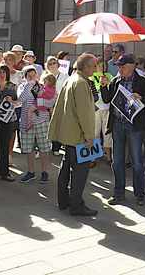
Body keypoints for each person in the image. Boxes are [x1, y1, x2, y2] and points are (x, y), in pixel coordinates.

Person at [49, 53, 98, 217]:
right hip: (78, 136)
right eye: (94, 65)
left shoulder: (71, 79)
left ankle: (64, 201)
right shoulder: (81, 83)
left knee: (65, 169)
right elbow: (84, 113)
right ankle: (76, 205)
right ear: (86, 66)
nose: (96, 68)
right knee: (80, 172)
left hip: (68, 133)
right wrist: (89, 136)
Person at [100, 54, 145, 205]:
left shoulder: (142, 81)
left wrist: (141, 98)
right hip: (117, 125)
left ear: (132, 66)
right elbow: (107, 99)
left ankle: (140, 194)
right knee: (117, 162)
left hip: (134, 126)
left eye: (122, 66)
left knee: (137, 162)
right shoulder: (116, 81)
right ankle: (118, 193)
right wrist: (103, 86)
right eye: (119, 66)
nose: (120, 69)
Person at [18, 65, 54, 183]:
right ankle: (31, 172)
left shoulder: (43, 87)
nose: (32, 77)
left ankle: (45, 172)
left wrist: (38, 103)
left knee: (44, 147)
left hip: (41, 120)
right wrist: (29, 85)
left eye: (34, 74)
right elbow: (21, 99)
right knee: (29, 149)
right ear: (25, 76)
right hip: (26, 121)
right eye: (29, 75)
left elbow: (50, 103)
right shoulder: (22, 86)